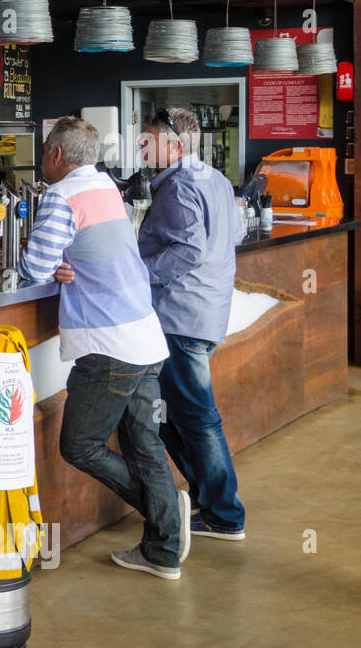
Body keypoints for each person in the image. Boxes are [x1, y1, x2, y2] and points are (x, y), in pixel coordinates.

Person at [19, 116, 190, 579]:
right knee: (143, 441)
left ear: (56, 154)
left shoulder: (61, 195)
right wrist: (61, 263)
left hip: (108, 343)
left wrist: (51, 265)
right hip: (144, 335)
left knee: (79, 445)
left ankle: (165, 516)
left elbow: (33, 267)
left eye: (45, 151)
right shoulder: (107, 189)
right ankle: (163, 545)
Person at [137, 106, 247, 541]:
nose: (142, 145)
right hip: (205, 312)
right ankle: (208, 502)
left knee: (197, 418)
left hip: (180, 315)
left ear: (175, 146)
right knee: (170, 417)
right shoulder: (213, 179)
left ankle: (223, 514)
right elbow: (234, 235)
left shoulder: (180, 185)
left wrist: (137, 275)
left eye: (150, 139)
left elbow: (189, 250)